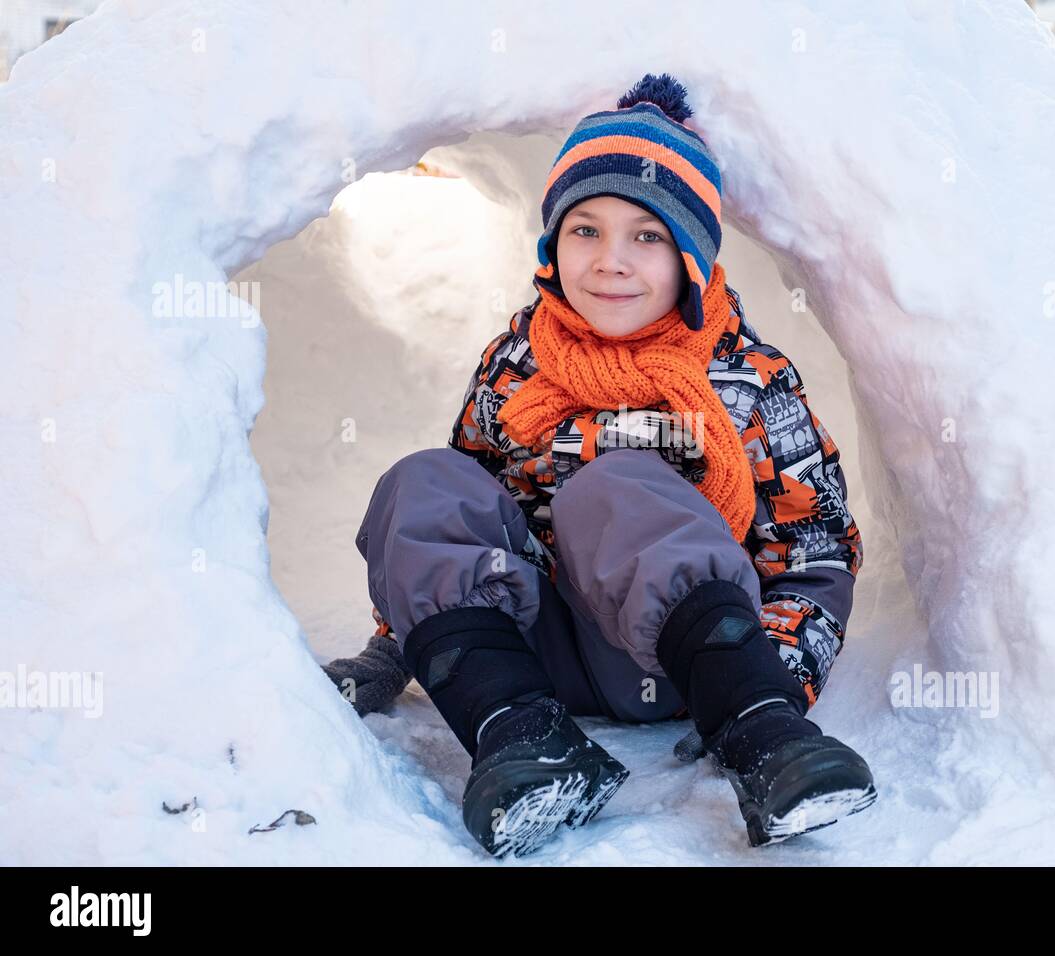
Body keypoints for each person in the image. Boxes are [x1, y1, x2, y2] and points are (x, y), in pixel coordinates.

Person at [323, 73, 877, 857]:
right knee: (422, 479)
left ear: (692, 257)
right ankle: (521, 741)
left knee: (615, 484)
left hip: (695, 658)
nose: (611, 261)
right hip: (532, 656)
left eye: (647, 236)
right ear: (551, 246)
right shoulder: (516, 362)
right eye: (585, 230)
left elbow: (815, 551)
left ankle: (764, 745)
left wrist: (769, 687)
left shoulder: (747, 381)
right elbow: (455, 517)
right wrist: (397, 647)